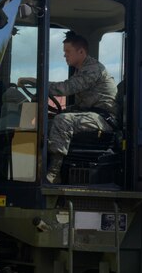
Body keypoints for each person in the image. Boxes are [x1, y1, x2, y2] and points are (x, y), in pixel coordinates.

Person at [45, 31, 118, 184]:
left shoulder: (93, 69)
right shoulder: (81, 70)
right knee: (49, 121)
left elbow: (67, 88)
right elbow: (81, 104)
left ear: (81, 52)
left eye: (68, 52)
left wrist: (40, 84)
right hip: (92, 114)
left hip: (104, 119)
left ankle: (53, 173)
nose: (65, 56)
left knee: (62, 121)